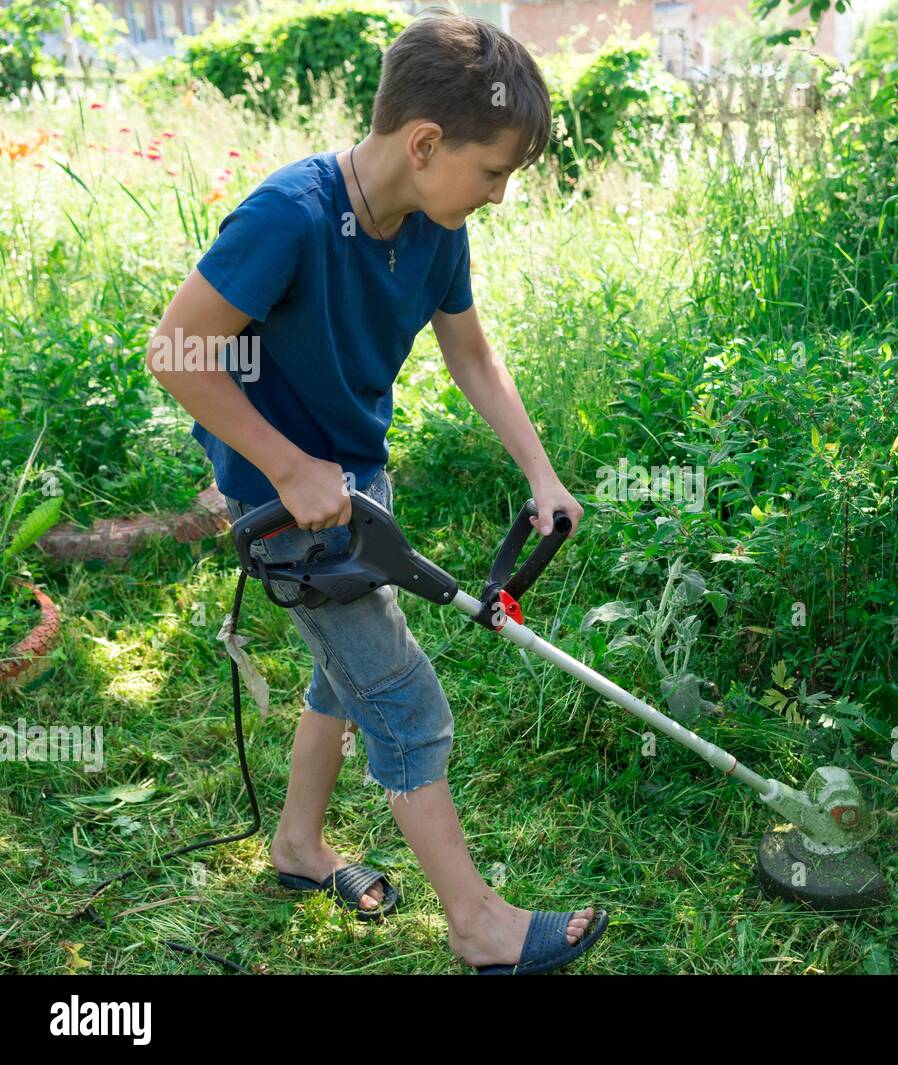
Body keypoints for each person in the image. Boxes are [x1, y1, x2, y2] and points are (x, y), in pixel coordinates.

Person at [147, 8, 608, 976]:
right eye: (495, 172)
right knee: (402, 697)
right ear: (427, 141)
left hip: (358, 484)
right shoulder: (291, 215)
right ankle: (478, 924)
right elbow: (175, 351)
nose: (499, 194)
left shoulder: (435, 226)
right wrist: (284, 464)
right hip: (284, 503)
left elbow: (471, 352)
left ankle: (298, 848)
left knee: (340, 677)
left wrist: (540, 470)